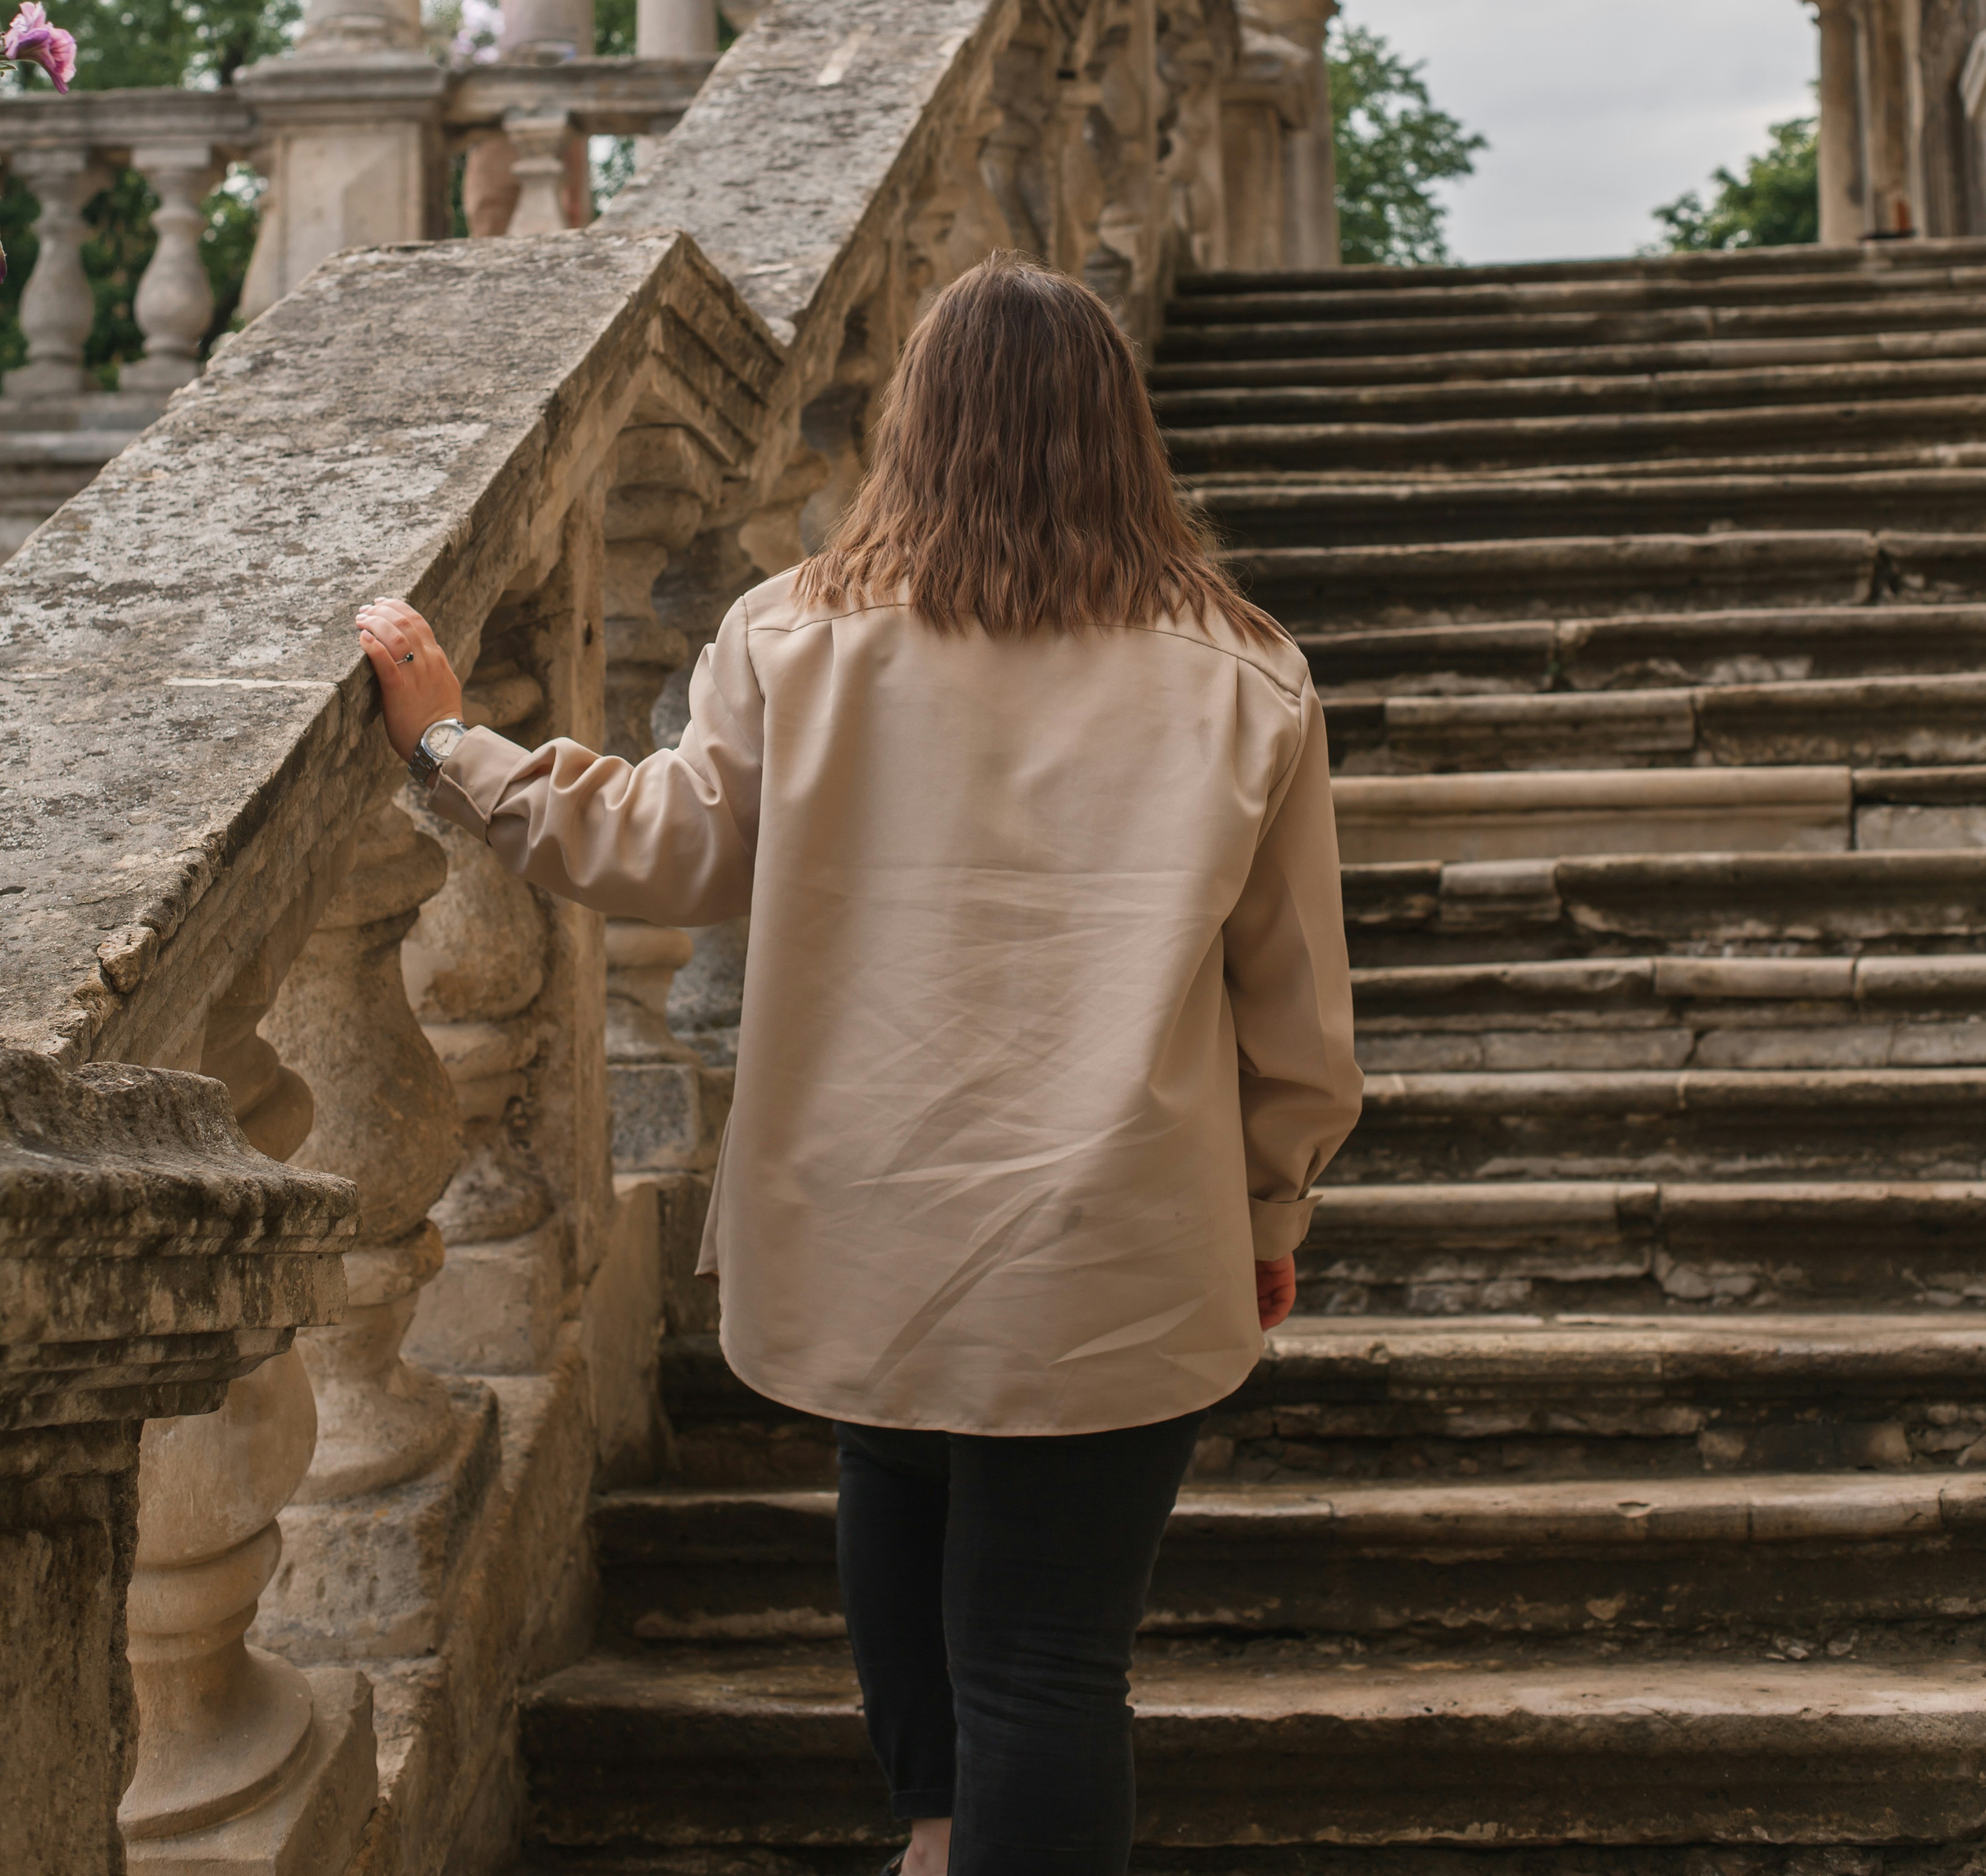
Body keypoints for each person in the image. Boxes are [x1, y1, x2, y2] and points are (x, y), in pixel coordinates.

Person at [358, 251, 1362, 1876]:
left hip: (867, 1213)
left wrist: (452, 744)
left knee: (896, 1538)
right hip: (1116, 1242)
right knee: (1047, 1662)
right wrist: (1266, 1218)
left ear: (916, 424)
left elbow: (660, 847)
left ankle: (935, 1840)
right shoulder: (1244, 675)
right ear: (1123, 434)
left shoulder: (795, 637)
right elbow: (1300, 1026)